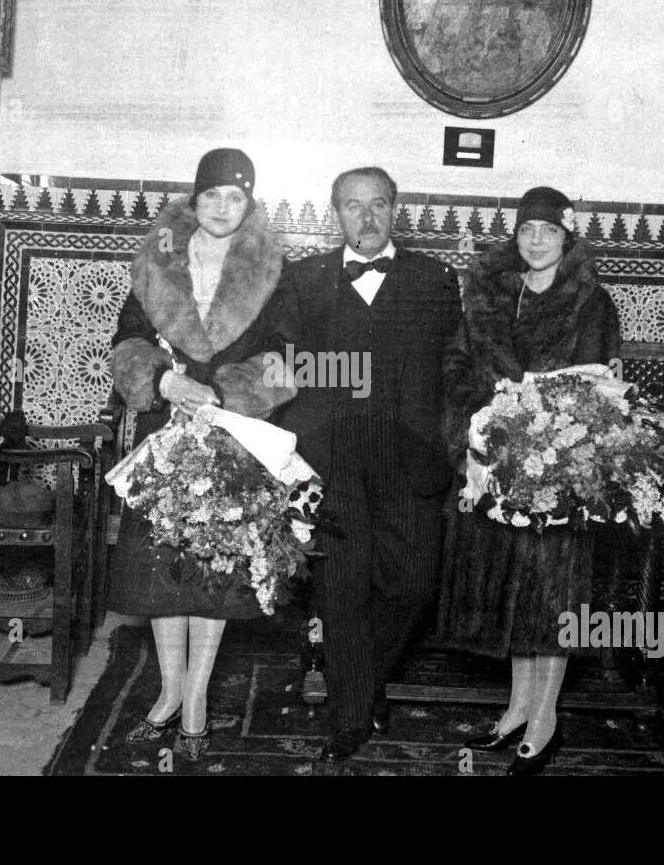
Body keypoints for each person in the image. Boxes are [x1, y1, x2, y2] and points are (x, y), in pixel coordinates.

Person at [107, 148, 295, 760]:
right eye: (210, 195)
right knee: (162, 567)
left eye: (233, 197)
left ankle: (197, 696)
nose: (221, 207)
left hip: (232, 430)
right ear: (194, 200)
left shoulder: (272, 269)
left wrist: (225, 392)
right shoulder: (157, 259)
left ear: (249, 204)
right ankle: (166, 693)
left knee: (216, 568)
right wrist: (162, 380)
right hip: (164, 431)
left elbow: (286, 355)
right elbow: (127, 339)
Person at [277, 167, 461, 761]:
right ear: (336, 213)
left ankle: (363, 680)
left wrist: (450, 444)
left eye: (378, 205)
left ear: (395, 210)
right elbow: (287, 370)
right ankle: (352, 714)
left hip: (409, 455)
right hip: (333, 457)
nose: (367, 217)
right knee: (343, 589)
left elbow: (453, 371)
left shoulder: (434, 279)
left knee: (413, 586)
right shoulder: (303, 279)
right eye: (353, 206)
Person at [436, 185, 621, 775]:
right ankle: (517, 707)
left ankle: (545, 719)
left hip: (559, 465)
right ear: (514, 238)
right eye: (526, 231)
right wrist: (483, 414)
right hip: (497, 461)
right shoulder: (490, 300)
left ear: (567, 237)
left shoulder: (592, 303)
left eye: (547, 230)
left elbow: (598, 390)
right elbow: (458, 367)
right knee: (514, 587)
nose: (536, 240)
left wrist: (541, 418)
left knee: (553, 592)